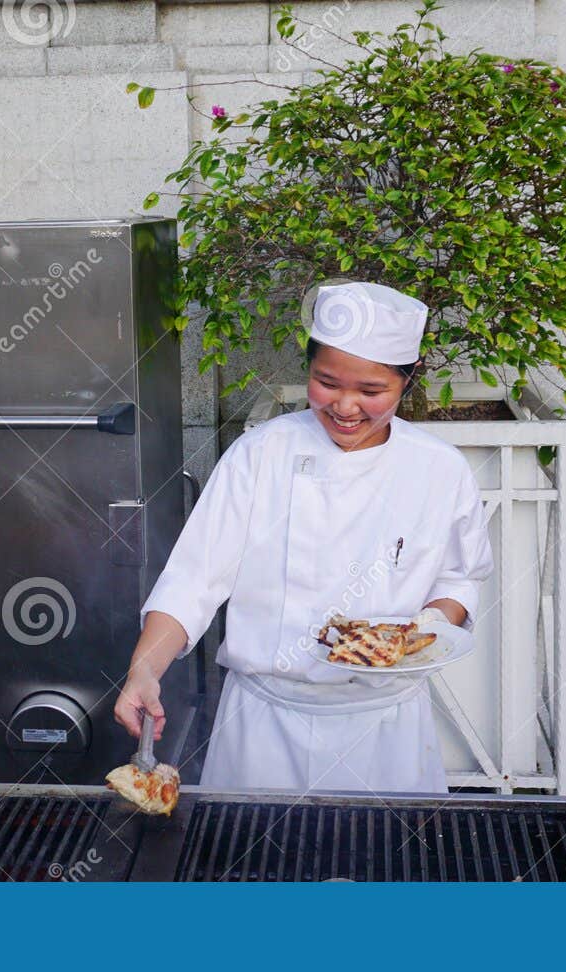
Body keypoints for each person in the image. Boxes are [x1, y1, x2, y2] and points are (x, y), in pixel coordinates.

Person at [113, 280, 494, 793]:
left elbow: (459, 576)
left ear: (409, 381)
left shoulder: (439, 469)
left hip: (386, 728)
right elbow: (194, 580)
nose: (346, 406)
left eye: (372, 391)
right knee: (254, 869)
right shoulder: (261, 453)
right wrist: (143, 669)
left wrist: (414, 634)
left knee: (389, 866)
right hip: (264, 725)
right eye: (327, 383)